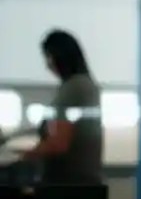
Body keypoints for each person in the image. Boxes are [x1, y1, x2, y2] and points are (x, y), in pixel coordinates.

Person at [21, 30, 104, 186]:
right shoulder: (86, 85)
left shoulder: (74, 88)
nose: (47, 65)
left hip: (69, 185)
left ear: (60, 56)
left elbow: (59, 143)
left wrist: (21, 155)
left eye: (48, 57)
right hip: (84, 182)